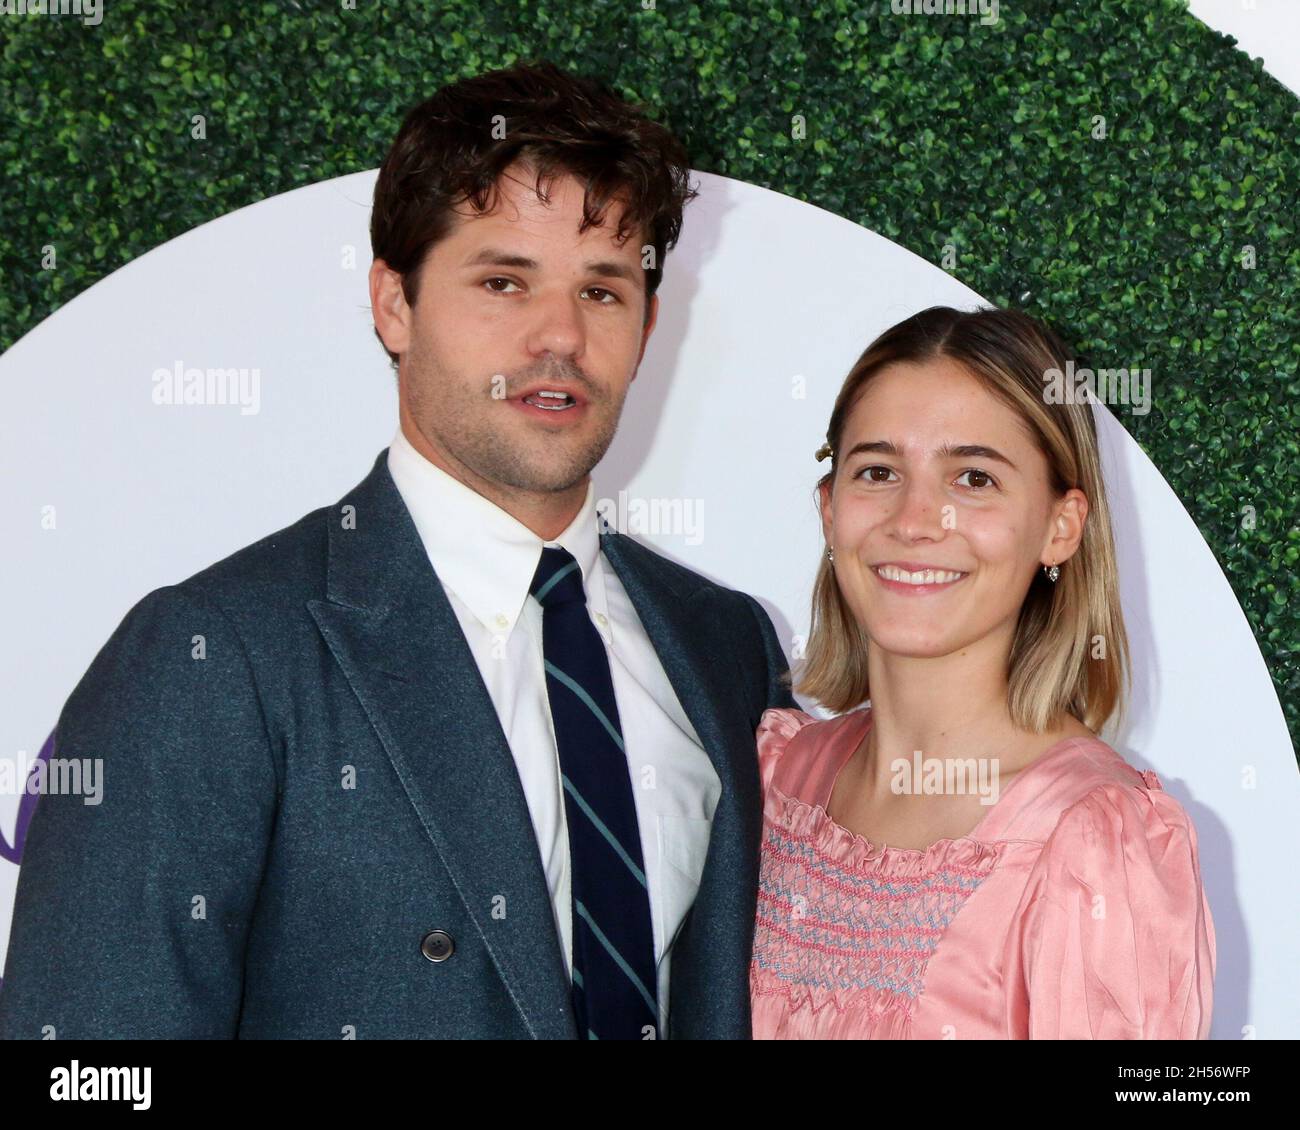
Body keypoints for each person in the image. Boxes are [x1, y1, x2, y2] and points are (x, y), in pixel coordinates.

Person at [0, 60, 796, 1040]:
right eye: (503, 280)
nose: (560, 335)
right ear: (392, 303)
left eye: (602, 288)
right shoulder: (216, 652)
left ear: (647, 324)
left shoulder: (722, 645)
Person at [750, 305, 1216, 1039]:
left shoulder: (1096, 843)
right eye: (878, 471)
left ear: (1060, 528)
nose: (914, 519)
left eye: (973, 478)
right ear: (829, 507)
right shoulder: (773, 780)